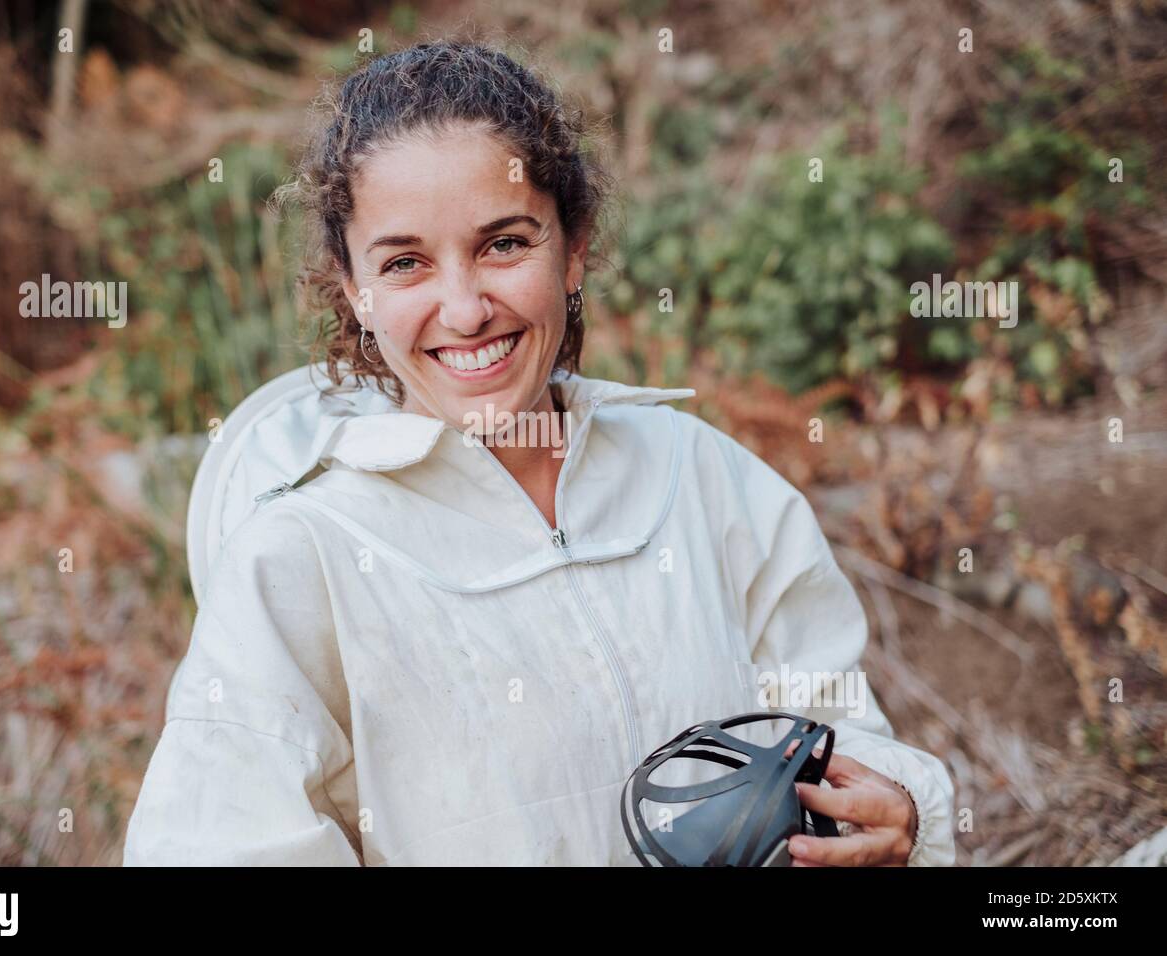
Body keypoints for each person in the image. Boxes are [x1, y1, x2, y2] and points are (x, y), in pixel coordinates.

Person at [123, 40, 956, 867]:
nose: (464, 308)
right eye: (405, 262)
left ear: (575, 246)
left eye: (504, 244)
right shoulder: (300, 559)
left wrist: (894, 814)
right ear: (354, 289)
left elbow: (839, 734)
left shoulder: (705, 477)